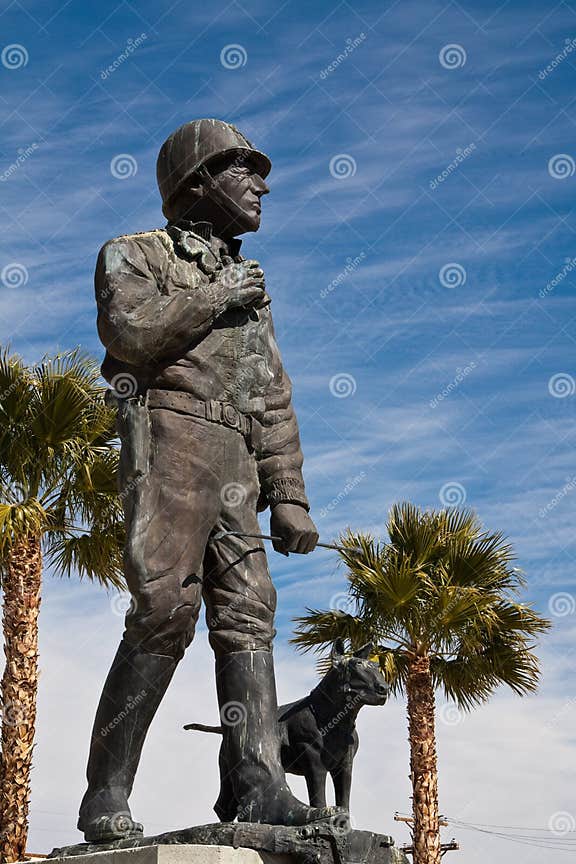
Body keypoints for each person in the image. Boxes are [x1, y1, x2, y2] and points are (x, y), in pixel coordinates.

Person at [78, 119, 337, 843]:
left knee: (250, 611)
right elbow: (128, 336)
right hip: (169, 434)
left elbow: (274, 392)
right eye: (243, 172)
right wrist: (215, 296)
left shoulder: (251, 288)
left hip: (236, 452)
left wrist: (288, 493)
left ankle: (257, 787)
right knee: (163, 610)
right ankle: (106, 795)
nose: (260, 186)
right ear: (196, 182)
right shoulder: (136, 253)